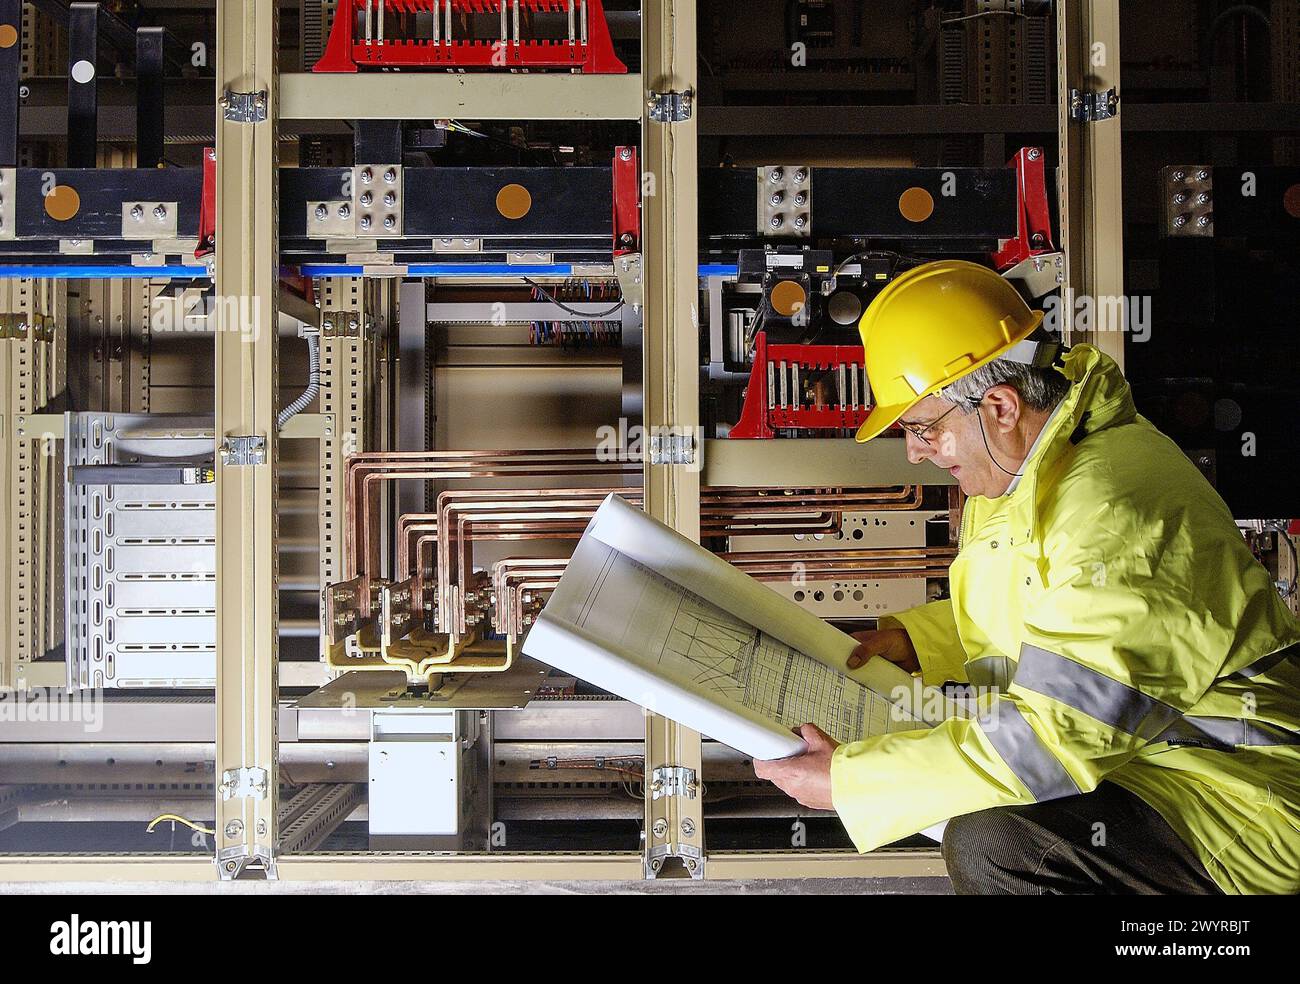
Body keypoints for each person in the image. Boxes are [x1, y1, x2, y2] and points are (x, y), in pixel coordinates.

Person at [753, 259, 1300, 894]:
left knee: (997, 845)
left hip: (1242, 805)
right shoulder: (1038, 466)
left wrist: (850, 782)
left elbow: (1053, 735)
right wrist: (918, 643)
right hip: (1161, 768)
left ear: (1000, 406)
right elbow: (1041, 605)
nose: (914, 451)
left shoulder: (1111, 514)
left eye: (924, 428)